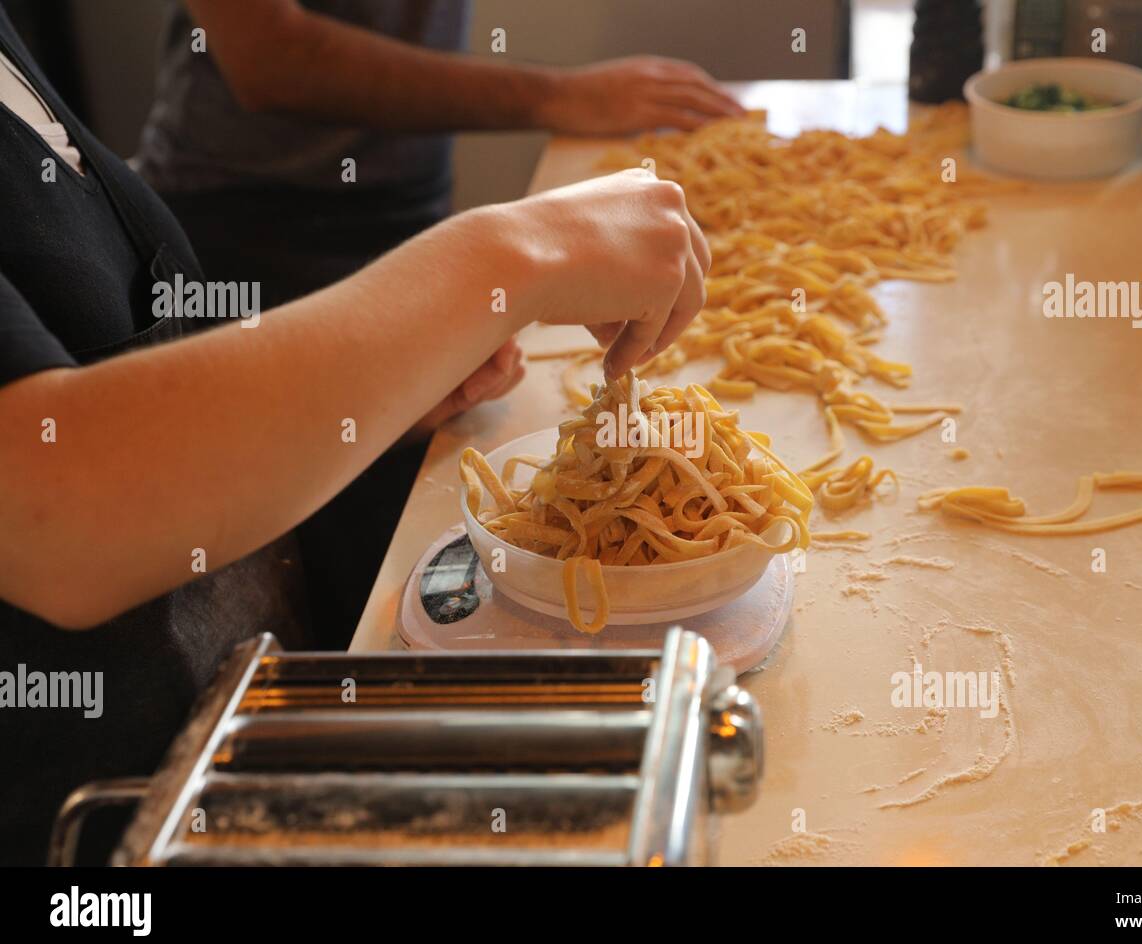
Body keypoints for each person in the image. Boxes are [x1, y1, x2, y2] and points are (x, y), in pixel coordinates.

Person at [0, 4, 710, 865]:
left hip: (232, 748)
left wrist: (386, 396)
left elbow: (113, 382)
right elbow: (56, 506)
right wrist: (512, 253)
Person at [134, 0, 743, 647]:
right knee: (318, 593)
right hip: (250, 229)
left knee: (391, 553)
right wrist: (552, 117)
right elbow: (270, 57)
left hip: (407, 204)